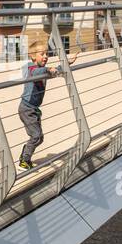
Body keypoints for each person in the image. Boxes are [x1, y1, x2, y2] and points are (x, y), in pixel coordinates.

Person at [17, 40, 78, 171]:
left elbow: (53, 70)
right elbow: (37, 73)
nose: (45, 56)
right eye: (42, 54)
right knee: (36, 136)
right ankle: (23, 160)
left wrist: (67, 63)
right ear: (33, 56)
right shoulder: (30, 68)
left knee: (39, 138)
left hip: (34, 108)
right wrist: (48, 69)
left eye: (47, 54)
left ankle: (25, 154)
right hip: (27, 108)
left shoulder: (42, 69)